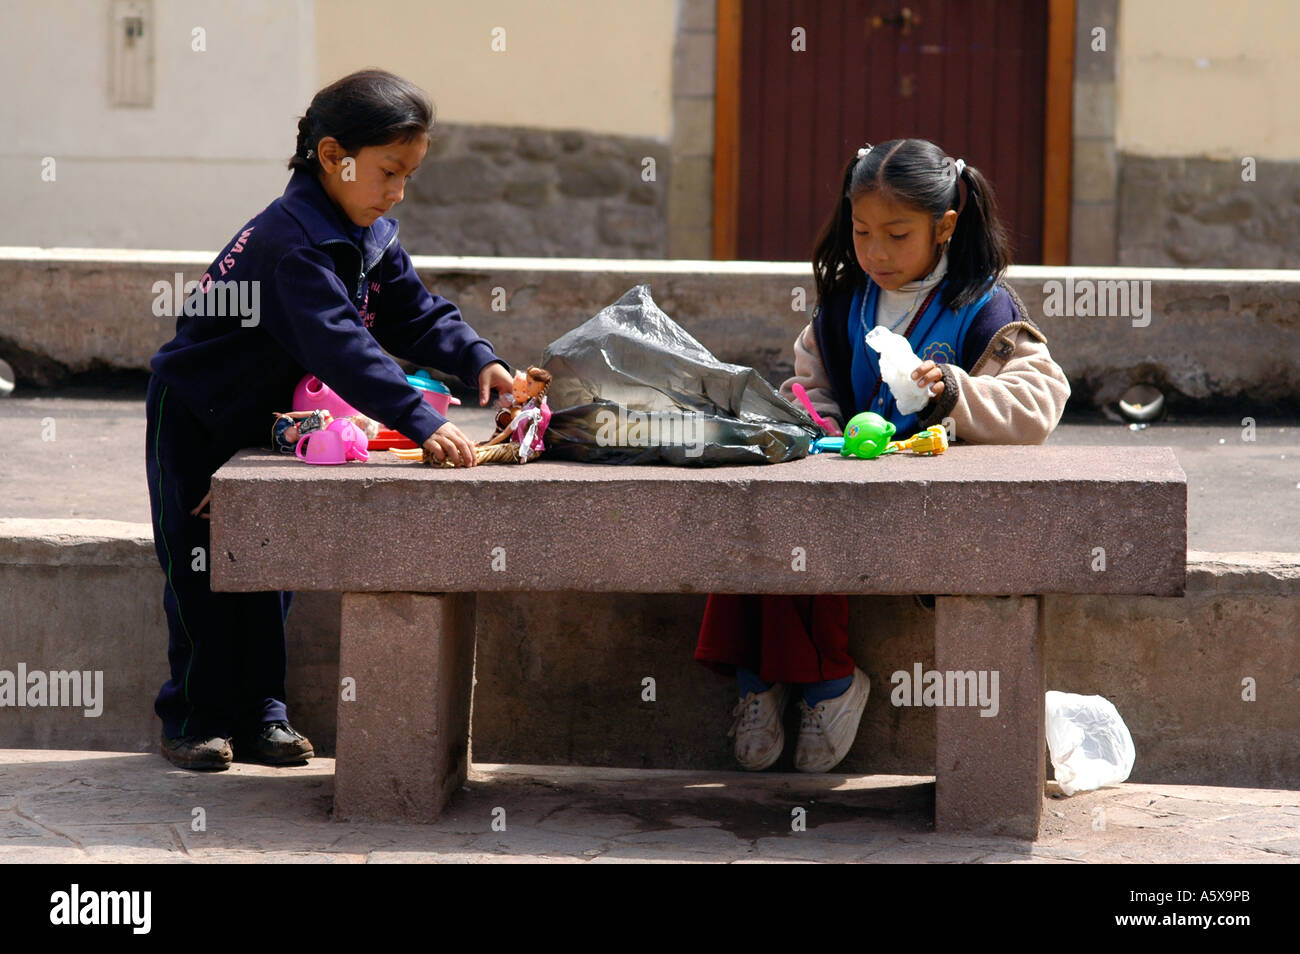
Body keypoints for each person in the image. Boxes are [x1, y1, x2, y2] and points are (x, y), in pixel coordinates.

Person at [146, 69, 515, 770]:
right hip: (198, 417)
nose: (398, 190)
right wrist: (417, 417)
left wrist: (478, 362)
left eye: (409, 174)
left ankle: (262, 717)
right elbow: (340, 345)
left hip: (270, 421)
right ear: (331, 157)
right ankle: (194, 716)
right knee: (202, 573)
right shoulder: (293, 244)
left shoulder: (367, 232)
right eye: (387, 171)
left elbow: (414, 312)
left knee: (268, 568)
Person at [695, 137, 1072, 773]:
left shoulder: (983, 310)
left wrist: (954, 394)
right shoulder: (844, 304)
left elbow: (1039, 401)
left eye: (898, 235)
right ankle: (756, 684)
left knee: (809, 525)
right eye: (862, 231)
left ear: (945, 226)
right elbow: (810, 384)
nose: (875, 253)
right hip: (846, 489)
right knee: (755, 509)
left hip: (930, 512)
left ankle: (828, 685)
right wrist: (816, 422)